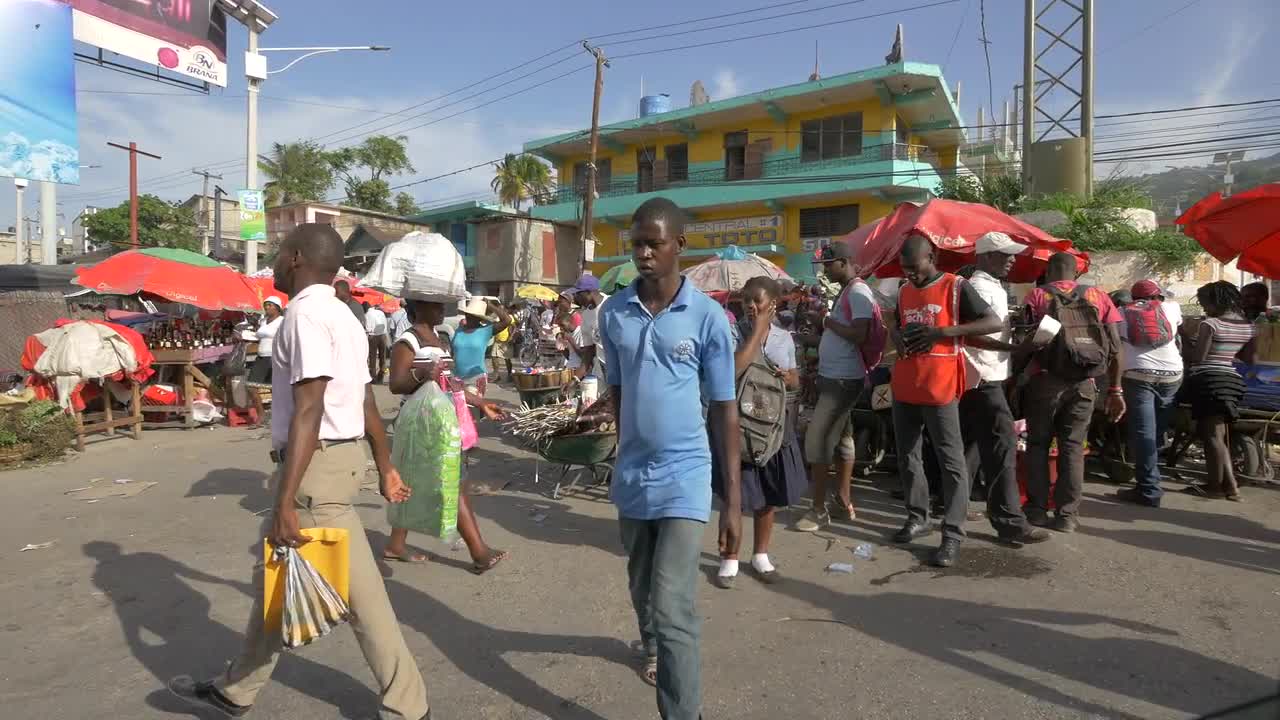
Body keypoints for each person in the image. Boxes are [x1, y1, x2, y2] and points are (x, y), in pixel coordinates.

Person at [167, 223, 432, 720]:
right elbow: (363, 399)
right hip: (339, 459)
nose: (271, 261)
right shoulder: (345, 315)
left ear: (294, 258)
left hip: (317, 470)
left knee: (360, 597)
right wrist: (383, 464)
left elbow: (310, 408)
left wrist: (287, 499)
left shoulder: (304, 317)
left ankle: (408, 706)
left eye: (275, 252)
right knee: (279, 577)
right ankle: (236, 689)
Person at [598, 197, 740, 720]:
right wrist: (619, 447)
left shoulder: (707, 317)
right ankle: (651, 645)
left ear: (679, 244)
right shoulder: (613, 312)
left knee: (674, 604)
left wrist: (732, 502)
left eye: (653, 243)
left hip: (686, 474)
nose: (643, 252)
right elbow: (617, 390)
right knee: (642, 589)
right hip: (633, 475)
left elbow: (725, 409)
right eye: (636, 242)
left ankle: (683, 713)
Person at [889, 236, 1003, 567]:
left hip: (940, 385)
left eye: (917, 268)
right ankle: (917, 516)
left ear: (932, 257)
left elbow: (993, 322)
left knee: (950, 461)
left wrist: (942, 333)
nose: (912, 275)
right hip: (907, 382)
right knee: (908, 456)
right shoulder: (903, 289)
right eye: (906, 269)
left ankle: (952, 533)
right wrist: (896, 333)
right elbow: (896, 321)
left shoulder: (957, 286)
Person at [383, 299, 510, 572]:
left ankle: (396, 544)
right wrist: (423, 373)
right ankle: (479, 552)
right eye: (436, 305)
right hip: (422, 424)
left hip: (444, 421)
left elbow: (452, 385)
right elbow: (396, 384)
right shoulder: (408, 341)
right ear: (419, 308)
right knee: (455, 482)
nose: (443, 310)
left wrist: (481, 404)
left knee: (413, 480)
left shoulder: (440, 340)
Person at [711, 276, 806, 587]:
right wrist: (756, 333)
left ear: (774, 304)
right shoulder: (732, 333)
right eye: (746, 301)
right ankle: (730, 557)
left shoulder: (784, 339)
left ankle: (761, 554)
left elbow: (795, 381)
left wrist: (789, 377)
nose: (751, 307)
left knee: (768, 493)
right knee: (734, 493)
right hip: (739, 425)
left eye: (758, 302)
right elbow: (733, 370)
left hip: (773, 426)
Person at [1021, 252, 1125, 533]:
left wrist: (1016, 380)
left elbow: (1028, 342)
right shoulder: (1098, 296)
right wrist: (1115, 389)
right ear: (1076, 273)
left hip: (1044, 381)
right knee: (1073, 448)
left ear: (1048, 270)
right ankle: (1067, 516)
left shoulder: (1037, 296)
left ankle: (1037, 510)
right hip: (1084, 383)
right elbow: (1115, 347)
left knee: (1038, 445)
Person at [959, 233, 1051, 546]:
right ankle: (1010, 521)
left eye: (1012, 254)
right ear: (985, 256)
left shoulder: (989, 286)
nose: (1012, 259)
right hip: (983, 378)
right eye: (1004, 254)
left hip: (979, 377)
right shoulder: (983, 287)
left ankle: (954, 509)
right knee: (1002, 449)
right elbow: (975, 335)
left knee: (971, 448)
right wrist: (1014, 348)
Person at [795, 240, 877, 532]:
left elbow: (859, 334)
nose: (825, 271)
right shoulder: (847, 291)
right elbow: (842, 337)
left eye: (828, 265)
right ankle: (843, 502)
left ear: (843, 262)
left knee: (817, 441)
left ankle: (818, 510)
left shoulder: (857, 291)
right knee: (843, 439)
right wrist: (815, 336)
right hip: (835, 376)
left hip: (843, 379)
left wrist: (827, 322)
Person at [1183, 281, 1256, 501]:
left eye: (1205, 304)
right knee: (1218, 437)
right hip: (1232, 381)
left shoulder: (1211, 324)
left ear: (1216, 301)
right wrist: (1226, 352)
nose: (1204, 309)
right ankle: (1223, 484)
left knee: (1212, 436)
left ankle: (1223, 487)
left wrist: (1184, 338)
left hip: (1208, 381)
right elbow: (1248, 358)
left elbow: (1197, 358)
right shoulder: (1248, 326)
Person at [1114, 280, 1184, 508]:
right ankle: (1148, 480)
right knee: (1157, 432)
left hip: (1137, 374)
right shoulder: (1171, 308)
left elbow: (1115, 348)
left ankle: (1149, 490)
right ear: (1158, 296)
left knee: (1144, 433)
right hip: (1172, 374)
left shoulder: (1121, 312)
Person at [450, 297, 511, 398]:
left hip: (475, 379)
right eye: (468, 314)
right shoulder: (459, 330)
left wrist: (491, 305)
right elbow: (454, 352)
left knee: (472, 409)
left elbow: (507, 320)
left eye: (473, 315)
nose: (469, 317)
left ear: (479, 318)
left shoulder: (486, 331)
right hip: (457, 377)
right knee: (458, 410)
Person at [572, 273, 610, 379]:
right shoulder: (586, 315)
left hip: (621, 371)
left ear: (589, 292)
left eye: (578, 294)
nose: (575, 297)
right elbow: (589, 351)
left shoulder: (613, 305)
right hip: (601, 371)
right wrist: (576, 379)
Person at [365, 301, 390, 384]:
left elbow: (368, 327)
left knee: (372, 357)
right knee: (383, 357)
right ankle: (381, 376)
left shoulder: (367, 314)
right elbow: (385, 323)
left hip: (373, 336)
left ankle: (373, 377)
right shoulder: (380, 312)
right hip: (383, 335)